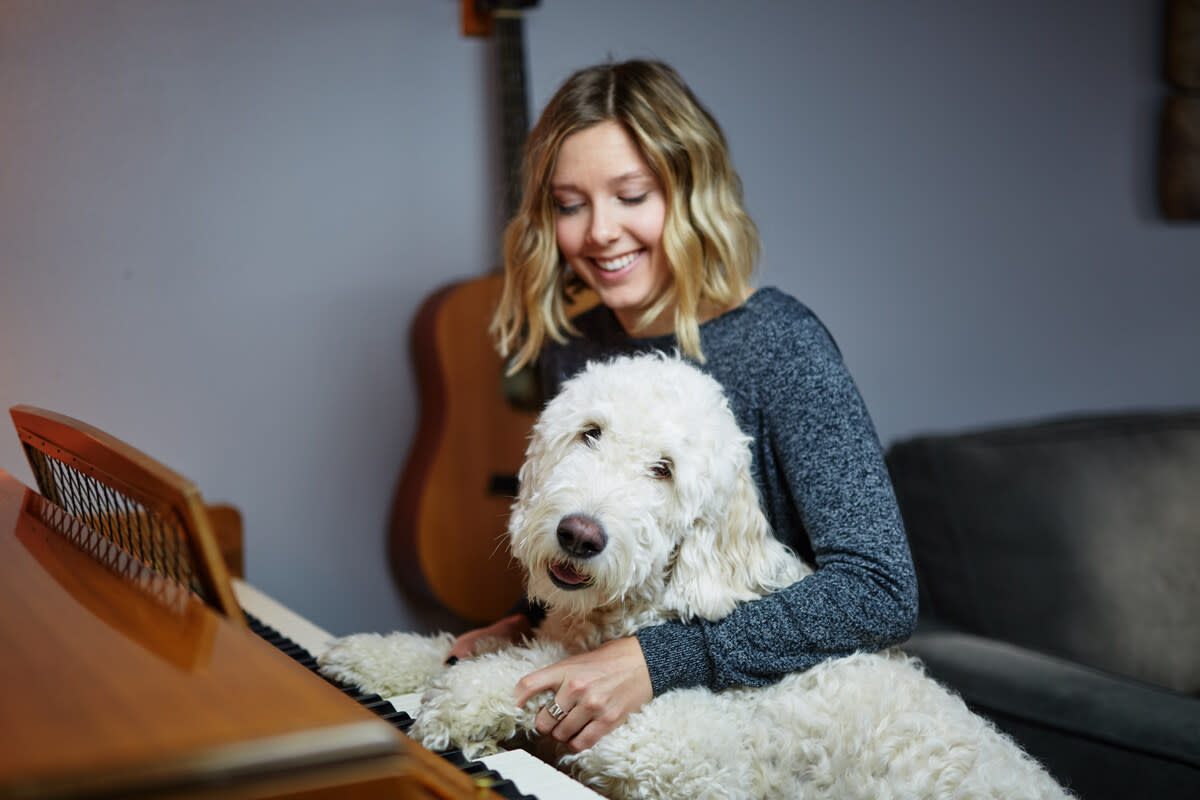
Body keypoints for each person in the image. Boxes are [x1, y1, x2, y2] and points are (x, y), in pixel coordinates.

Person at [446, 59, 918, 754]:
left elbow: (879, 590)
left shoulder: (780, 345)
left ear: (690, 189)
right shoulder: (575, 347)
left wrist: (657, 660)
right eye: (570, 203)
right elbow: (610, 545)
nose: (599, 231)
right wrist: (523, 618)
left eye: (631, 195)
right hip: (638, 726)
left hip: (776, 724)